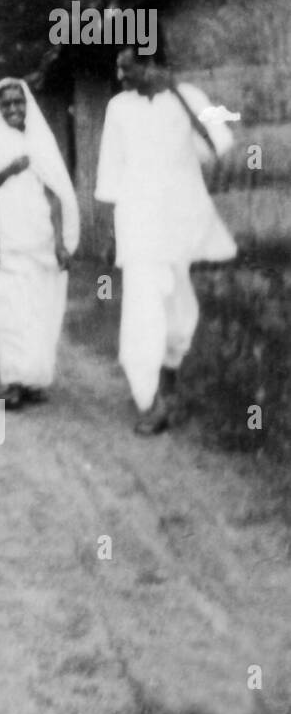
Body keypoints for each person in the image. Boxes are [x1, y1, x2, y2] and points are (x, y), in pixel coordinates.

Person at [94, 45, 235, 435]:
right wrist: (110, 232)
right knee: (142, 311)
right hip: (137, 224)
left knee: (178, 313)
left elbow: (218, 143)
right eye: (118, 69)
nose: (121, 76)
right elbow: (110, 171)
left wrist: (176, 93)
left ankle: (167, 388)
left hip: (180, 223)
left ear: (151, 64)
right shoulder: (118, 107)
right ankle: (149, 401)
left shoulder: (189, 96)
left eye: (127, 68)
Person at [0, 78, 79, 409]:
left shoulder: (41, 142)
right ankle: (13, 382)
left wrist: (60, 242)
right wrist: (11, 169)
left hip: (40, 241)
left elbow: (57, 195)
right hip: (5, 239)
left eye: (18, 102)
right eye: (6, 104)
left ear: (27, 103)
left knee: (40, 311)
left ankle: (34, 379)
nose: (13, 108)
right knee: (8, 311)